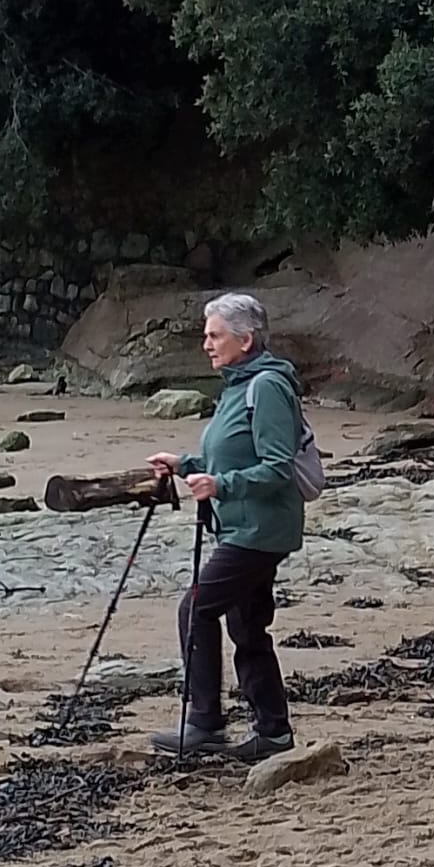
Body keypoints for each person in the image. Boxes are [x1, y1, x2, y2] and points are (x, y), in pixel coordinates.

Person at [146, 291, 304, 762]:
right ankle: (272, 733)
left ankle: (205, 722)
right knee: (247, 626)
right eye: (206, 335)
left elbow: (278, 467)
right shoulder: (240, 384)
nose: (206, 344)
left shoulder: (267, 387)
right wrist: (185, 465)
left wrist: (221, 486)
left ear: (245, 339)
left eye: (214, 335)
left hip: (260, 529)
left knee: (196, 609)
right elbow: (229, 453)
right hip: (243, 525)